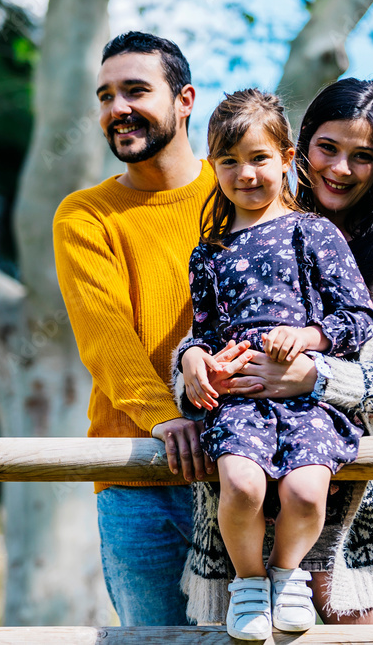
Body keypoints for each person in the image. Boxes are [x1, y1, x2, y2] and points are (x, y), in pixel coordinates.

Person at [176, 77, 373, 626]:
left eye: (363, 156)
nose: (340, 168)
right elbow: (201, 335)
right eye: (329, 148)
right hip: (236, 494)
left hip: (344, 508)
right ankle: (257, 577)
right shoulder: (231, 237)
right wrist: (192, 371)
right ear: (300, 146)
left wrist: (314, 376)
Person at [53, 31, 259, 626]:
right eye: (105, 96)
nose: (117, 109)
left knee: (252, 636)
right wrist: (164, 417)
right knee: (154, 642)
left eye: (136, 91)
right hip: (136, 468)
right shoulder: (85, 214)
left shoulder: (244, 193)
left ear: (185, 100)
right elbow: (104, 334)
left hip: (243, 464)